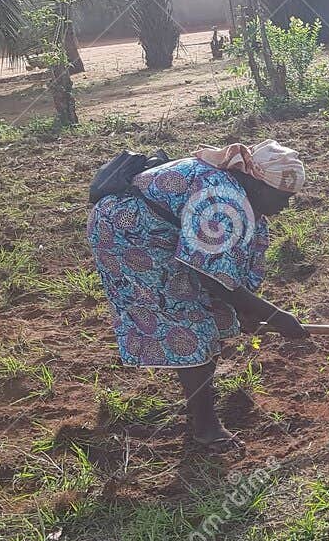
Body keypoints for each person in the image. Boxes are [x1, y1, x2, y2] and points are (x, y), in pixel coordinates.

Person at [87, 140, 309, 448]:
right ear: (258, 185)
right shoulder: (224, 199)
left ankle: (199, 410)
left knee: (206, 314)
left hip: (160, 232)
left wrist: (246, 311)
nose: (286, 206)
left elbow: (225, 271)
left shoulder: (238, 195)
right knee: (187, 319)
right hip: (129, 235)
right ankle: (206, 427)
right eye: (283, 197)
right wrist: (275, 316)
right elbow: (214, 279)